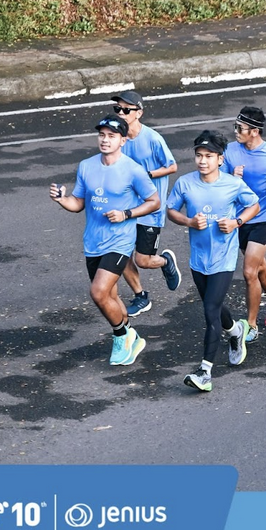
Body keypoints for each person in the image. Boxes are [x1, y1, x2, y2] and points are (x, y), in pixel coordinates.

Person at [48, 115, 160, 366]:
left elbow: (154, 202)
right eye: (102, 135)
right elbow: (78, 203)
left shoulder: (133, 169)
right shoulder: (86, 166)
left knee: (98, 292)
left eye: (111, 136)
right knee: (109, 296)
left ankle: (120, 336)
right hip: (93, 242)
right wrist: (62, 199)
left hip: (120, 241)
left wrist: (126, 214)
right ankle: (131, 335)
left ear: (123, 140)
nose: (105, 140)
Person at [167, 130, 260, 393]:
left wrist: (236, 222)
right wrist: (188, 221)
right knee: (215, 307)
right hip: (199, 259)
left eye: (209, 156)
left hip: (223, 258)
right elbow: (171, 210)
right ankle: (235, 332)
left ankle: (205, 371)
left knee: (210, 310)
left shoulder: (232, 184)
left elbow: (253, 205)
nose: (202, 160)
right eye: (199, 155)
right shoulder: (185, 183)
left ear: (220, 159)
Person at [110, 90, 181, 317]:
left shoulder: (152, 139)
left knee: (142, 260)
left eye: (126, 110)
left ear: (138, 113)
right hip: (125, 208)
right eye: (117, 109)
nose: (121, 113)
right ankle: (141, 296)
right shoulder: (117, 138)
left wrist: (146, 175)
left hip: (150, 209)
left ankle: (165, 262)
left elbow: (172, 166)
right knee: (120, 254)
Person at [223, 107, 266, 343]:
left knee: (249, 271)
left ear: (254, 131)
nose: (235, 131)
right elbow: (218, 180)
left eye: (239, 128)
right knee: (259, 264)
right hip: (239, 217)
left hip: (265, 216)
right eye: (235, 126)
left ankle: (251, 324)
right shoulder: (230, 150)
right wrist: (232, 178)